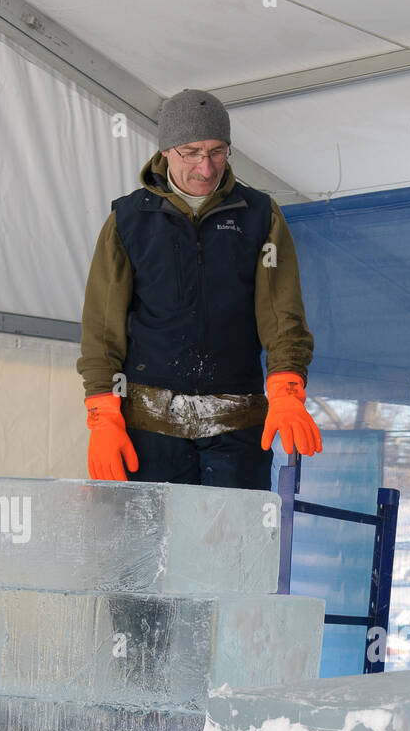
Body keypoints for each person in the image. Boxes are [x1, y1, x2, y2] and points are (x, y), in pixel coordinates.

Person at [77, 88, 321, 488]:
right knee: (152, 548)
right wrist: (103, 415)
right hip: (148, 427)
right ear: (166, 151)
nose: (206, 168)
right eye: (191, 152)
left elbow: (282, 315)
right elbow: (103, 327)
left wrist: (287, 389)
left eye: (217, 151)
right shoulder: (129, 219)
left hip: (236, 425)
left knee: (231, 547)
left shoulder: (260, 214)